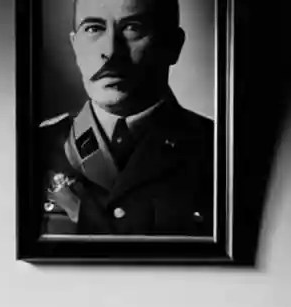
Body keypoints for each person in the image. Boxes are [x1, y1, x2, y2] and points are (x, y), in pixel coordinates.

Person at [39, 0, 215, 236]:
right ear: (75, 45)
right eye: (93, 28)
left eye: (133, 28)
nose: (111, 51)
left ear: (173, 45)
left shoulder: (216, 148)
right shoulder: (37, 146)